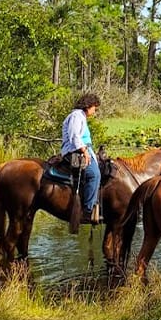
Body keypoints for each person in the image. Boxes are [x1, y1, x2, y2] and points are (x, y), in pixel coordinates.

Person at [62, 93, 104, 225]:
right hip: (75, 150)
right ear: (88, 106)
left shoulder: (81, 116)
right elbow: (75, 137)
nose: (95, 111)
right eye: (94, 108)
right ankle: (87, 210)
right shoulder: (76, 116)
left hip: (81, 149)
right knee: (94, 174)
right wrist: (85, 151)